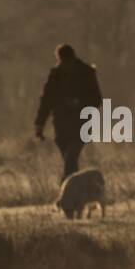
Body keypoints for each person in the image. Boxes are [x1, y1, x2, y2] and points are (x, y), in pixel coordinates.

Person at [34, 44, 103, 181]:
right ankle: (76, 193)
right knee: (70, 161)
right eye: (62, 61)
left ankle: (66, 191)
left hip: (82, 124)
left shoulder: (86, 73)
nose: (64, 64)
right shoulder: (55, 75)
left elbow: (97, 99)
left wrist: (79, 103)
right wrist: (39, 124)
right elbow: (47, 100)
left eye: (66, 61)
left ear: (72, 59)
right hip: (61, 126)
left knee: (70, 159)